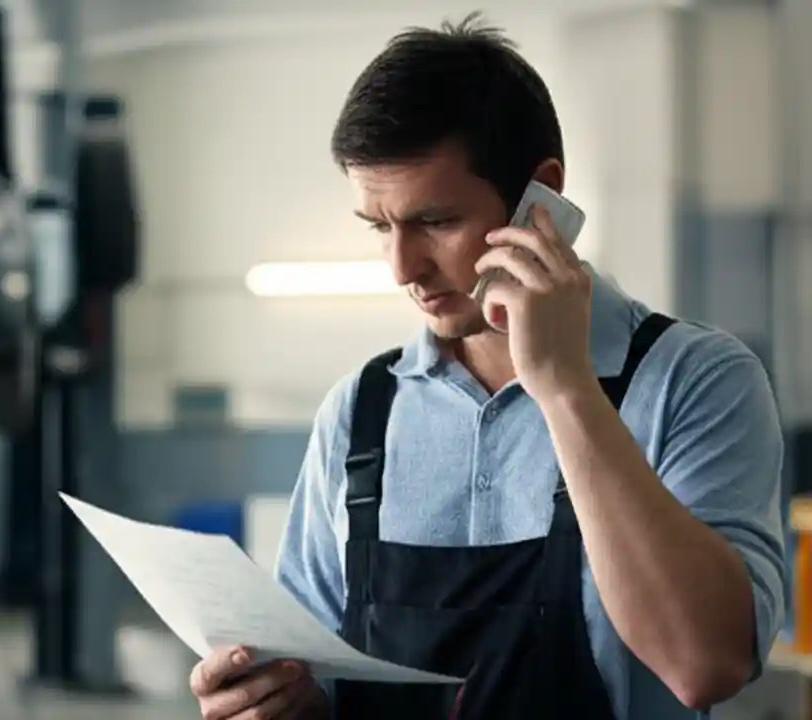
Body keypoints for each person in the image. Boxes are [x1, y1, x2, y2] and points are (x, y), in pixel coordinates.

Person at [187, 13, 787, 720]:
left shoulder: (696, 381)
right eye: (381, 228)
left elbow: (705, 664)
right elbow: (312, 677)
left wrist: (565, 387)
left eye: (435, 221)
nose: (403, 268)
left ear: (542, 199)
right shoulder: (361, 411)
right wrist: (271, 702)